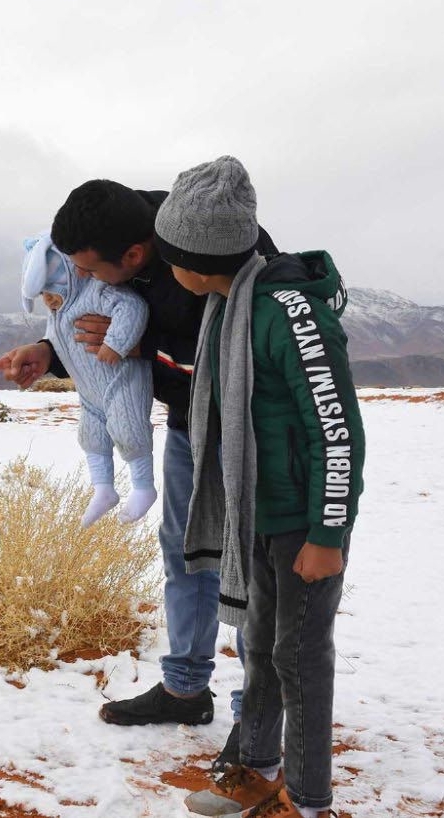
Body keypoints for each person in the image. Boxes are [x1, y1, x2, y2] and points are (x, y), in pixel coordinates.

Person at [0, 179, 277, 757]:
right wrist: (51, 350)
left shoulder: (204, 249)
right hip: (190, 424)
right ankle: (185, 690)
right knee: (186, 554)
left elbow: (234, 354)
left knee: (246, 569)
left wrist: (140, 348)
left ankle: (257, 718)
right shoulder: (117, 228)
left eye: (90, 269)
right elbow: (96, 312)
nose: (82, 278)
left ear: (134, 257)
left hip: (244, 429)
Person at [153, 155, 364, 817]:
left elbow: (337, 430)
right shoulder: (231, 304)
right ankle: (257, 770)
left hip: (302, 524)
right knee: (265, 653)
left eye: (168, 255)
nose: (166, 269)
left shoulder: (287, 315)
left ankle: (305, 801)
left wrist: (328, 535)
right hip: (260, 519)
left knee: (300, 661)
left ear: (195, 254)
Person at [20, 231, 157, 526]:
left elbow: (132, 307)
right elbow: (57, 340)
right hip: (89, 390)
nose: (48, 299)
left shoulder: (96, 291)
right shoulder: (57, 313)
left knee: (128, 430)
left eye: (51, 290)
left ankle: (144, 487)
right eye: (43, 295)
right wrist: (42, 351)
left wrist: (116, 344)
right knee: (90, 436)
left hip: (121, 380)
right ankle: (104, 489)